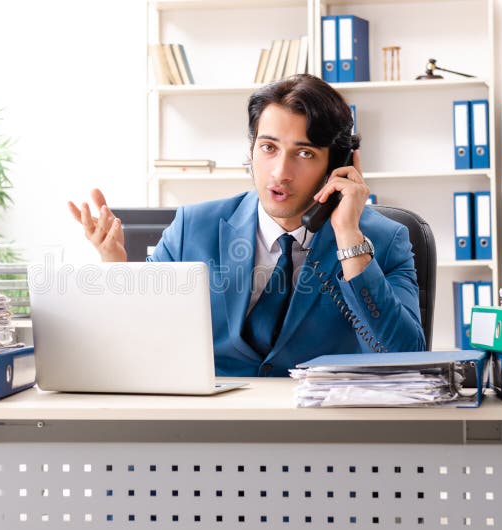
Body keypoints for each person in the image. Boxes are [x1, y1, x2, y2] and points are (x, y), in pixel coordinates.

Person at [69, 74, 425, 377]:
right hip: (209, 434)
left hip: (322, 434)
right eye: (268, 147)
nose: (280, 172)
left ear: (339, 164)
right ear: (252, 149)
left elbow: (405, 361)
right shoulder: (192, 228)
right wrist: (114, 266)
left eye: (304, 153)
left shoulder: (383, 239)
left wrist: (348, 239)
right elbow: (137, 339)